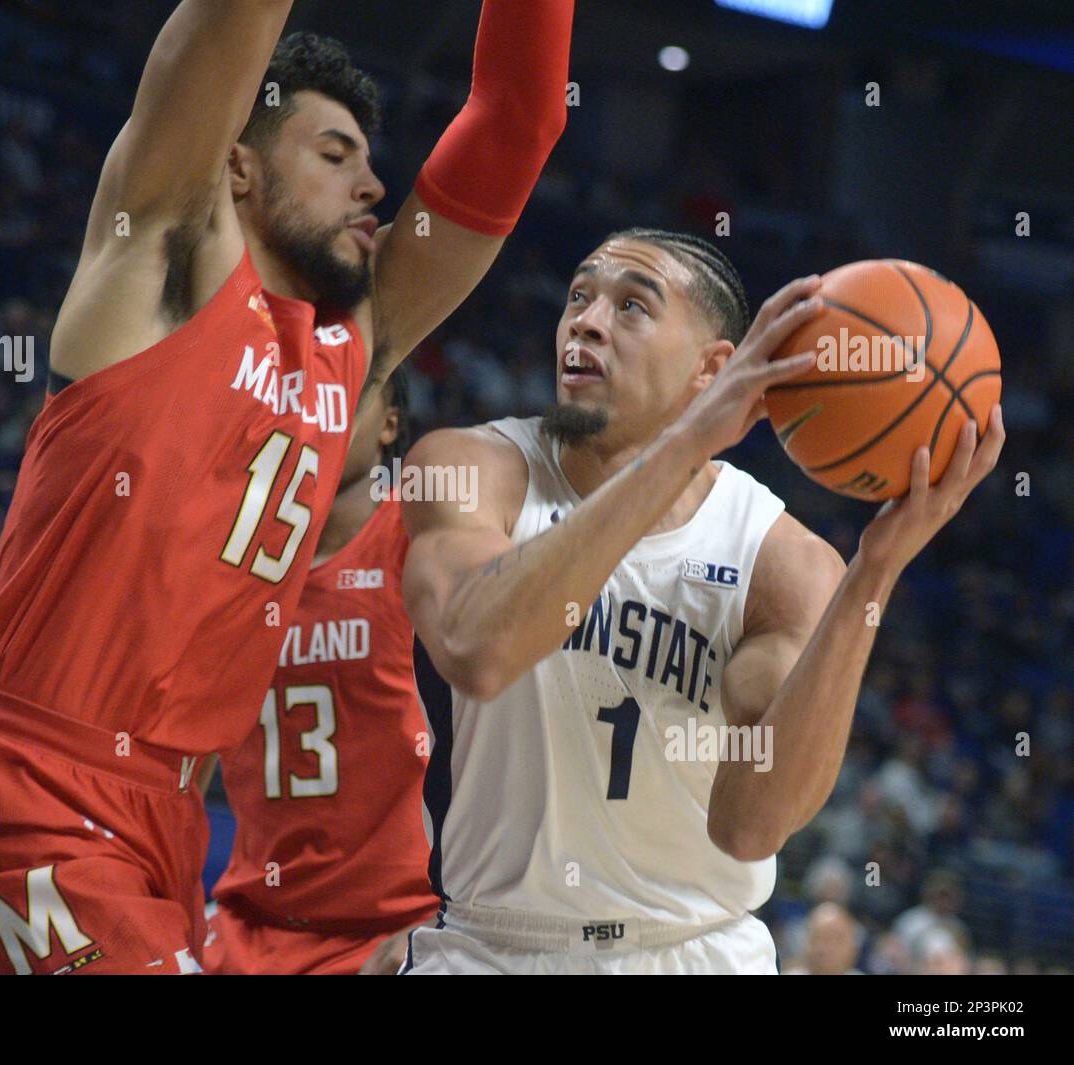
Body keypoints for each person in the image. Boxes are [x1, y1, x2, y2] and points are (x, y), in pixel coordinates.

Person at [0, 0, 574, 974]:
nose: (374, 185)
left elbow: (519, 119)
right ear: (238, 166)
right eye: (335, 153)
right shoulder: (158, 258)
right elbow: (226, 24)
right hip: (25, 798)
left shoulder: (354, 348)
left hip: (166, 819)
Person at [397, 227, 1005, 974]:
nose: (586, 320)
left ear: (713, 370)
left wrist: (874, 573)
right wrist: (684, 443)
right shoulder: (471, 469)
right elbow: (478, 650)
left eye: (632, 306)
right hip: (491, 947)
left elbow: (753, 824)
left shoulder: (779, 561)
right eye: (580, 296)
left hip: (696, 950)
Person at [204, 375, 437, 974]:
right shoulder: (223, 562)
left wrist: (452, 919)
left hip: (404, 927)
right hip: (251, 928)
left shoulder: (422, 541)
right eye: (301, 399)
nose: (320, 417)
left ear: (390, 425)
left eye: (348, 397)